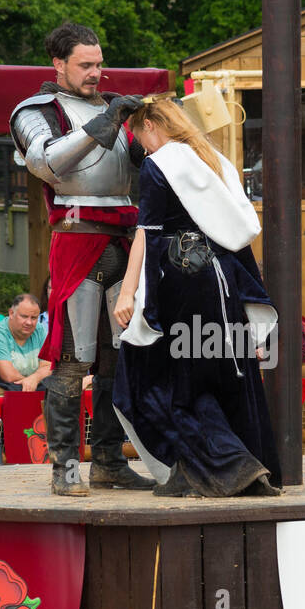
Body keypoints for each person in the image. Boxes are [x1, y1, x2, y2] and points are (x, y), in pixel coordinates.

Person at [112, 96, 282, 497]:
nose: (143, 148)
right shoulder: (216, 161)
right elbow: (238, 239)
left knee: (160, 377)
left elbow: (148, 234)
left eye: (140, 138)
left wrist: (130, 293)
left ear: (151, 126)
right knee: (227, 373)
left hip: (181, 281)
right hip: (224, 282)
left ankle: (224, 466)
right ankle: (248, 464)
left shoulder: (160, 165)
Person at [10, 20, 151, 495]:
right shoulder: (36, 110)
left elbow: (142, 165)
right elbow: (47, 162)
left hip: (123, 242)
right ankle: (65, 471)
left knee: (116, 362)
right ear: (59, 64)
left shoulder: (111, 108)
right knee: (73, 361)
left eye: (99, 63)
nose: (96, 73)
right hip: (76, 241)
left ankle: (109, 462)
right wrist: (107, 122)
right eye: (85, 65)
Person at [0, 293, 51, 392]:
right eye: (24, 316)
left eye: (34, 318)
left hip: (26, 395)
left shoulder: (40, 329)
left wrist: (34, 379)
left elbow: (48, 365)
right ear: (11, 313)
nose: (29, 322)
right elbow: (8, 375)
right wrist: (36, 380)